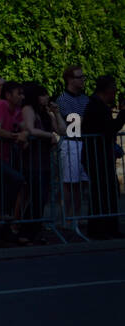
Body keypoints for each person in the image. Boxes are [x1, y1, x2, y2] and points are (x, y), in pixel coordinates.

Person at [0, 81, 31, 246]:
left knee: (0, 192)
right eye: (18, 93)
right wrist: (15, 136)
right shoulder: (0, 105)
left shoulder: (17, 110)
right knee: (16, 179)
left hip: (4, 157)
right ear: (8, 95)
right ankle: (4, 218)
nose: (22, 96)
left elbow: (25, 127)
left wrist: (24, 134)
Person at [18, 82, 62, 242]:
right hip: (32, 159)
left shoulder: (46, 113)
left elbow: (62, 130)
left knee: (42, 198)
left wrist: (56, 113)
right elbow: (30, 129)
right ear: (36, 96)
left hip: (44, 159)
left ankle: (34, 230)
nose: (47, 97)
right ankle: (26, 231)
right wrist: (48, 136)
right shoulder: (28, 109)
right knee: (36, 197)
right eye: (43, 94)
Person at [81, 75, 124, 239]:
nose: (115, 92)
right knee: (102, 192)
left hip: (101, 155)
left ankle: (109, 227)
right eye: (113, 88)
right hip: (96, 156)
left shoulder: (98, 105)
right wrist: (122, 115)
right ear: (107, 90)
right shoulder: (96, 106)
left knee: (108, 191)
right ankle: (99, 229)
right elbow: (109, 129)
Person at [56, 65, 90, 224]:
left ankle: (76, 216)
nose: (83, 79)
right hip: (71, 143)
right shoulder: (63, 99)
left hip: (84, 142)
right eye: (79, 77)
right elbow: (73, 122)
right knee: (69, 183)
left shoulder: (85, 98)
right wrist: (88, 119)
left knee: (80, 183)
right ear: (70, 79)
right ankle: (66, 217)